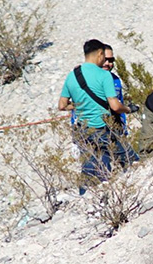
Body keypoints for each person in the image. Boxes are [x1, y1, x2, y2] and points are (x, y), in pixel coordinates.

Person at [59, 39, 138, 180]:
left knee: (92, 169)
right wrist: (127, 109)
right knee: (131, 161)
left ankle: (87, 197)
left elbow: (62, 105)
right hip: (103, 128)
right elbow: (114, 106)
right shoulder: (104, 75)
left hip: (83, 130)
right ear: (100, 54)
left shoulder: (72, 75)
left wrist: (80, 105)